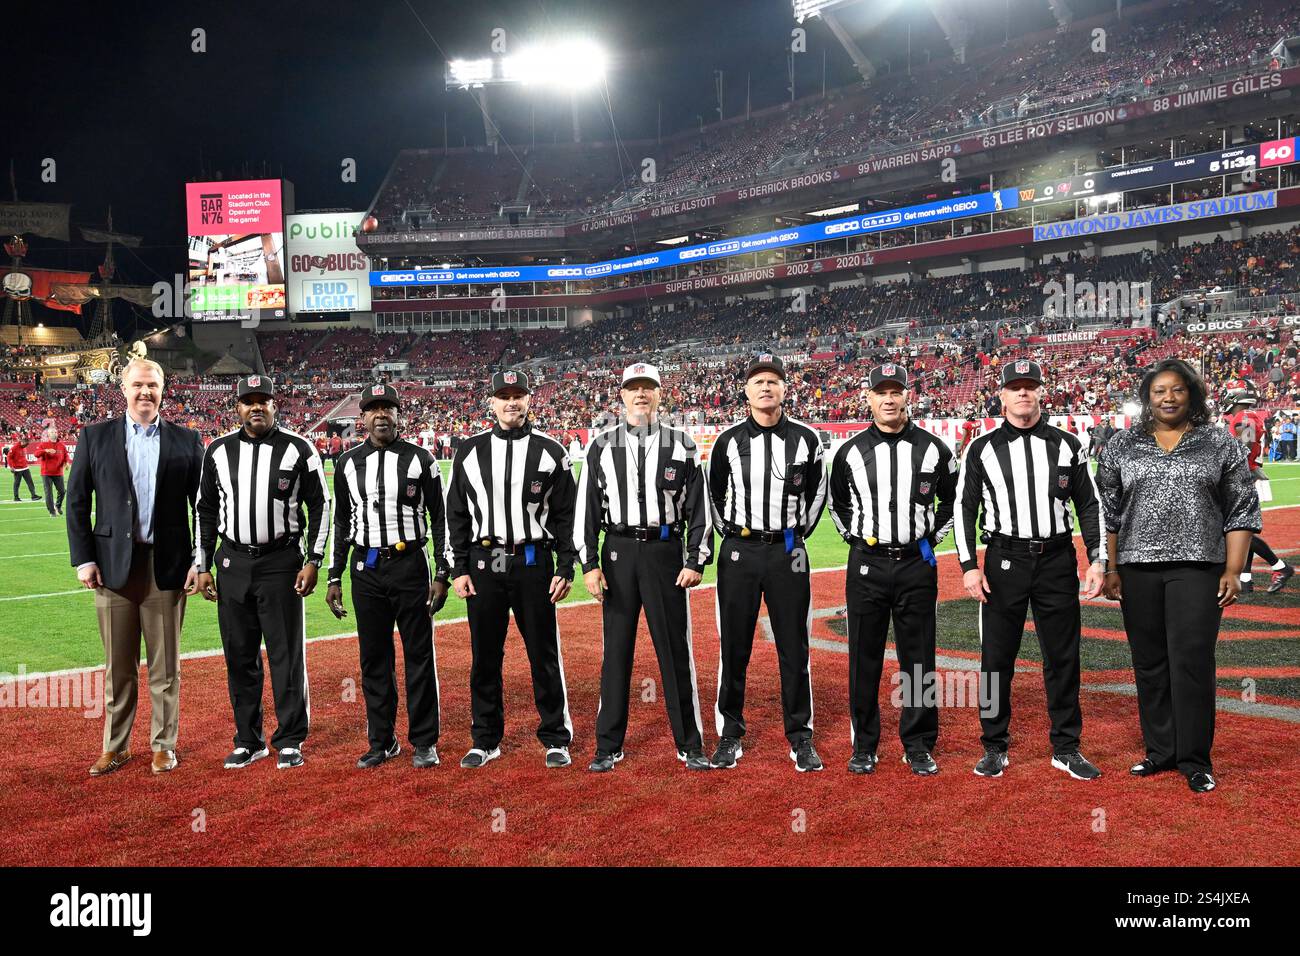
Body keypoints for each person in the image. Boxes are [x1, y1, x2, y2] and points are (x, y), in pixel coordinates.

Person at [1096, 359, 1260, 793]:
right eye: (1159, 391)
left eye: (1177, 390)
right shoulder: (1121, 445)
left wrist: (1233, 569)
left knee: (1191, 661)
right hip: (1135, 567)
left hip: (1199, 566)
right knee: (1149, 663)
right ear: (1147, 398)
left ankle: (1195, 758)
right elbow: (1108, 513)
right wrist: (1111, 567)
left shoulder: (1218, 443)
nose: (1168, 398)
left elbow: (1242, 507)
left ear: (1192, 394)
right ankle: (1160, 750)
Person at [954, 358, 1107, 781]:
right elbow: (964, 509)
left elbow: (1088, 504)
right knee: (996, 657)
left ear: (1042, 391)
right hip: (1005, 558)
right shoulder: (981, 448)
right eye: (1014, 387)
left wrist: (1097, 558)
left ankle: (1066, 746)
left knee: (1062, 656)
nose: (1023, 393)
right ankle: (994, 745)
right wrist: (969, 565)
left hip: (1057, 558)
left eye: (1030, 386)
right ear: (1001, 395)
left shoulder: (1067, 443)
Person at [65, 358, 204, 776]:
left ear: (164, 389)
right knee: (118, 667)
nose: (145, 392)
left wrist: (199, 560)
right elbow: (76, 503)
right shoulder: (94, 437)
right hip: (111, 569)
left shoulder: (187, 440)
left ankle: (164, 745)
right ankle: (116, 745)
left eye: (153, 385)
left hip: (168, 567)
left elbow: (204, 508)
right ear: (123, 388)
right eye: (138, 385)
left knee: (166, 668)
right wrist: (85, 559)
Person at [576, 362, 714, 772]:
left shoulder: (683, 444)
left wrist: (695, 559)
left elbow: (698, 510)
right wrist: (589, 564)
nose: (640, 395)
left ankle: (689, 744)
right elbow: (587, 511)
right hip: (618, 552)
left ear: (659, 394)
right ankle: (608, 745)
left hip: (664, 553)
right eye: (633, 388)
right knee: (615, 652)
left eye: (647, 388)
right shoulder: (601, 446)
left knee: (674, 652)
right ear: (621, 395)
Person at [192, 375, 331, 770]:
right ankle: (248, 739)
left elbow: (321, 505)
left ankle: (290, 738)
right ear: (237, 407)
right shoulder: (217, 451)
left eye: (263, 400)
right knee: (239, 655)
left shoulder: (299, 449)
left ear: (275, 403)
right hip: (232, 562)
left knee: (286, 654)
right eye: (248, 401)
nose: (256, 407)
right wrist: (202, 564)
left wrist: (313, 559)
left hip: (281, 561)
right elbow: (204, 509)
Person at [444, 370, 577, 769]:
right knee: (485, 655)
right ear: (492, 403)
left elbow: (566, 515)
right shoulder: (468, 451)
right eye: (504, 396)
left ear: (529, 400)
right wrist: (459, 569)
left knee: (543, 653)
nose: (511, 402)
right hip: (486, 562)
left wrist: (566, 565)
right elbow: (457, 514)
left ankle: (555, 736)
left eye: (518, 395)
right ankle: (485, 738)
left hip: (532, 561)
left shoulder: (552, 451)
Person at [829, 362, 958, 775]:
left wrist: (930, 540)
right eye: (880, 392)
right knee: (863, 655)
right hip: (866, 563)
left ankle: (918, 743)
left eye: (895, 391)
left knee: (918, 657)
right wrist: (858, 540)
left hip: (916, 565)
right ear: (868, 398)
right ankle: (864, 744)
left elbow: (953, 502)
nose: (888, 398)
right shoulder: (848, 452)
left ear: (907, 396)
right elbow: (837, 503)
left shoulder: (935, 449)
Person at [707, 354, 828, 772]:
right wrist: (734, 536)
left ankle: (800, 736)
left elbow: (817, 495)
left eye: (773, 381)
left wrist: (794, 537)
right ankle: (730, 734)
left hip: (788, 552)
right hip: (739, 553)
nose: (765, 387)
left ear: (784, 388)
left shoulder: (807, 439)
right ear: (746, 390)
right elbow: (714, 496)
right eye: (757, 380)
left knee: (794, 647)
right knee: (734, 648)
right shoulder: (727, 442)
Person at [325, 383, 450, 769]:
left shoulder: (422, 459)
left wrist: (443, 572)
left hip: (411, 565)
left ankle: (424, 741)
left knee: (418, 654)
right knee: (373, 658)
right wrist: (334, 575)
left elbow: (441, 518)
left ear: (398, 413)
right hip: (366, 569)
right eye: (373, 409)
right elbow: (341, 521)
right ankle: (382, 740)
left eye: (388, 408)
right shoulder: (347, 463)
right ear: (362, 417)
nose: (381, 415)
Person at [1221, 380, 1294, 593]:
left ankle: (1280, 567)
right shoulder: (1245, 417)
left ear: (1235, 397)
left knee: (1236, 532)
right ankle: (1245, 579)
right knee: (1242, 530)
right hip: (1246, 476)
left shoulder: (1244, 418)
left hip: (1240, 478)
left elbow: (1246, 448)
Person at [33, 426, 69, 516]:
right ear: (48, 434)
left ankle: (58, 506)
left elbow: (66, 455)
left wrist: (66, 462)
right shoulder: (43, 444)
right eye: (52, 432)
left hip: (58, 472)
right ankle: (52, 511)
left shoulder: (62, 445)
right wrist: (45, 450)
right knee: (48, 493)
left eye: (55, 432)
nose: (54, 433)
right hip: (46, 473)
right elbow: (36, 454)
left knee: (62, 491)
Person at [6, 434, 39, 502]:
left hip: (25, 468)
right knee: (17, 483)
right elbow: (9, 457)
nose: (26, 446)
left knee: (30, 482)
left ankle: (33, 495)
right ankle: (16, 497)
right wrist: (11, 467)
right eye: (26, 444)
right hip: (17, 469)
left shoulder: (23, 447)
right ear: (22, 442)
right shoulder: (14, 448)